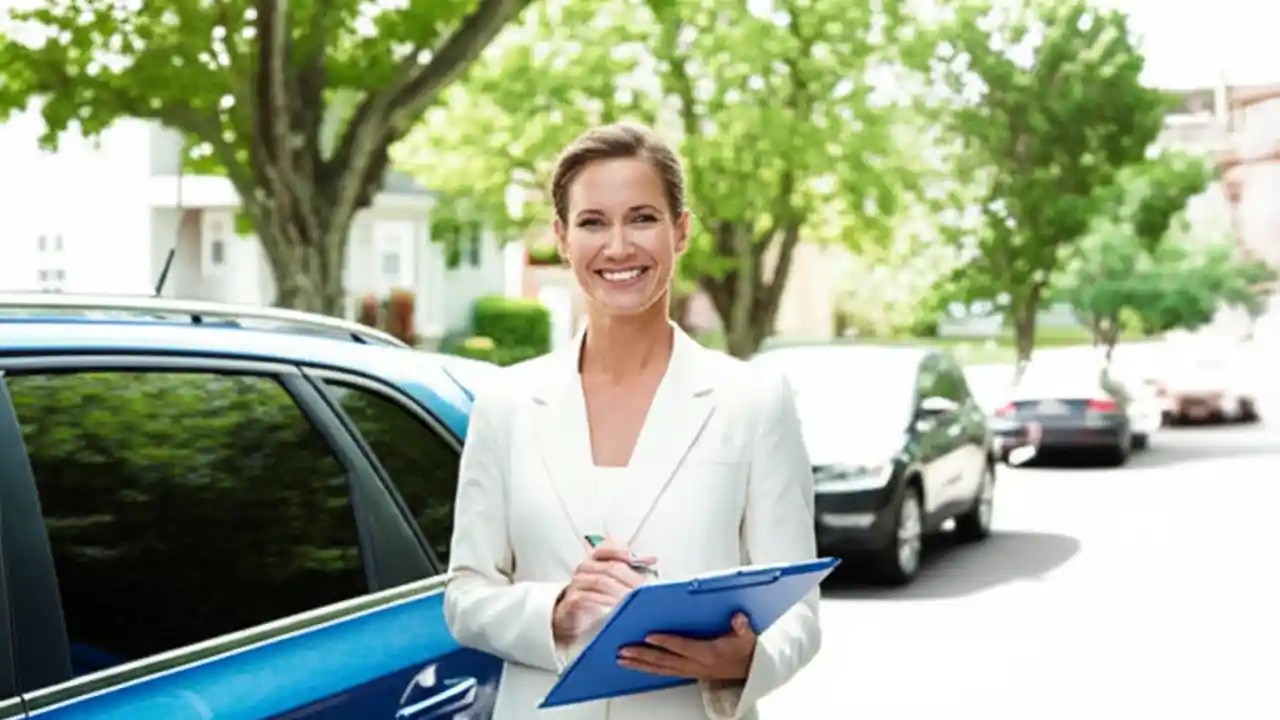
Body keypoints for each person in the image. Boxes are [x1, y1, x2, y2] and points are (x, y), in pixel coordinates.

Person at [444, 122, 820, 720]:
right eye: (593, 222)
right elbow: (465, 597)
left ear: (681, 230)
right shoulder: (506, 403)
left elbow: (800, 610)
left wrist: (743, 658)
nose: (618, 247)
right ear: (563, 239)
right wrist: (555, 610)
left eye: (642, 218)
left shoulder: (753, 400)